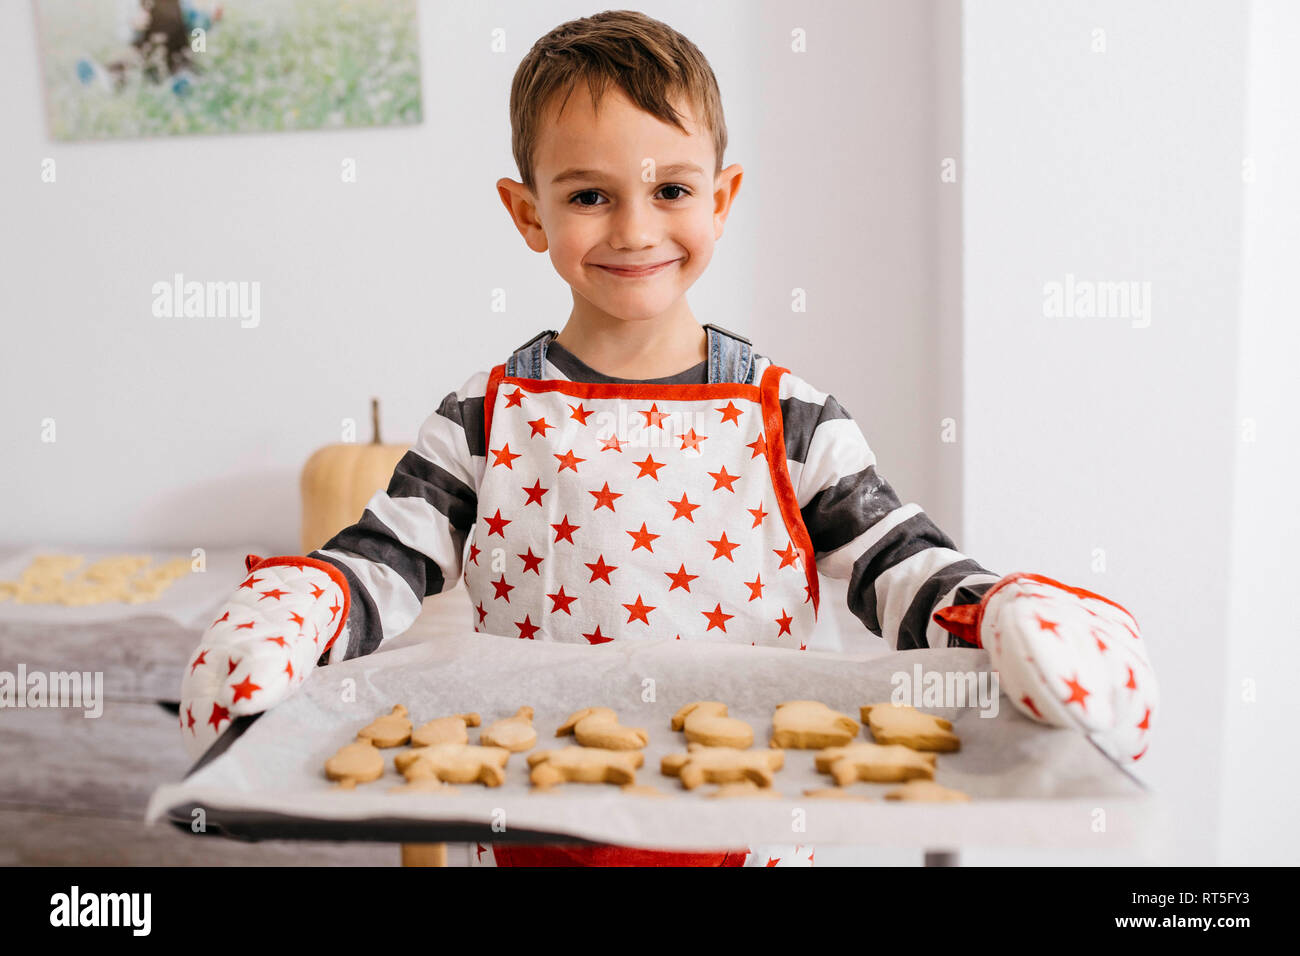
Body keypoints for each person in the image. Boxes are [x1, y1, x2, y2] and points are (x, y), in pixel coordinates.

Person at [179, 10, 1157, 867]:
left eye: (673, 191)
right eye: (589, 194)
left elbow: (900, 563)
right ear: (528, 213)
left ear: (722, 199)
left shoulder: (794, 417)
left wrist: (999, 613)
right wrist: (302, 604)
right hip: (529, 808)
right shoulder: (483, 414)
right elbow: (385, 560)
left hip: (748, 815)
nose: (635, 228)